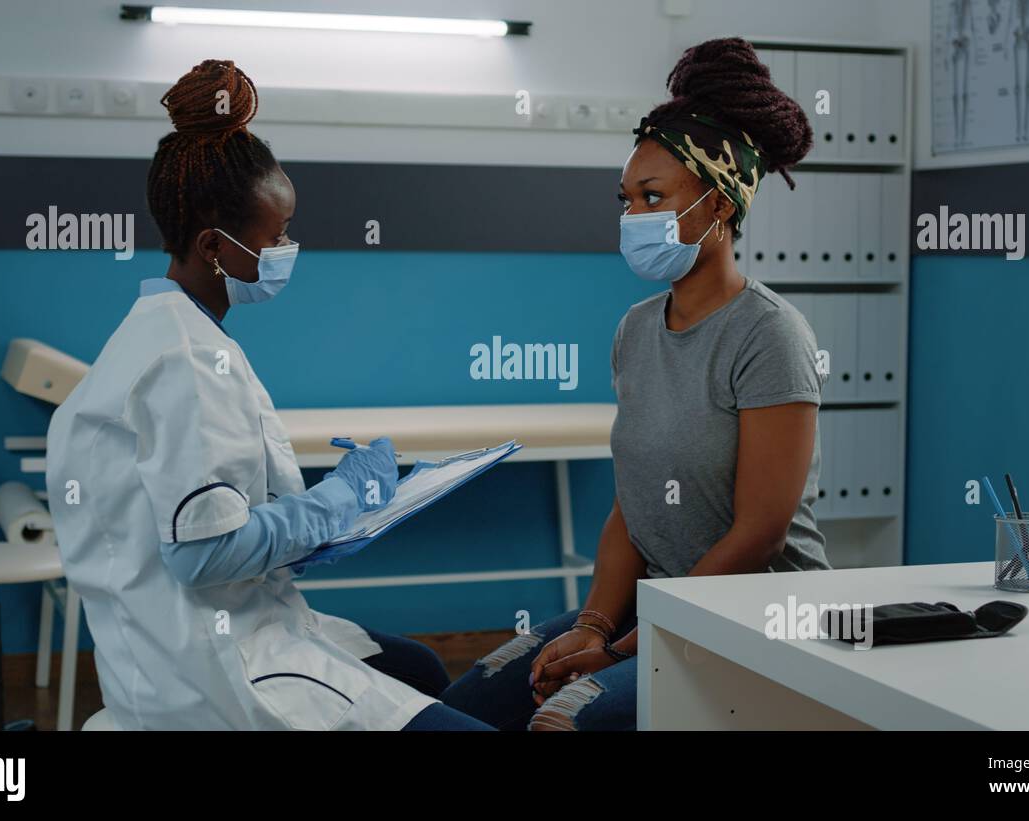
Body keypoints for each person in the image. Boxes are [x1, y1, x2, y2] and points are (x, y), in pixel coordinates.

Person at [45, 59, 490, 731]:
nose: (286, 247)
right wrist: (339, 500)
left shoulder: (171, 336)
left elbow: (206, 517)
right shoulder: (184, 360)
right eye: (274, 235)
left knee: (421, 667)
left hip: (203, 637)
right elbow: (203, 553)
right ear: (211, 247)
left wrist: (325, 523)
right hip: (216, 672)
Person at [440, 37, 830, 731]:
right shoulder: (635, 328)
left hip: (754, 613)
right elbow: (634, 508)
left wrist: (621, 650)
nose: (634, 218)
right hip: (654, 602)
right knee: (476, 695)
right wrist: (593, 625)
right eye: (627, 200)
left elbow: (758, 536)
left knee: (564, 721)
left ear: (719, 204)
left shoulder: (770, 335)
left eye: (654, 197)